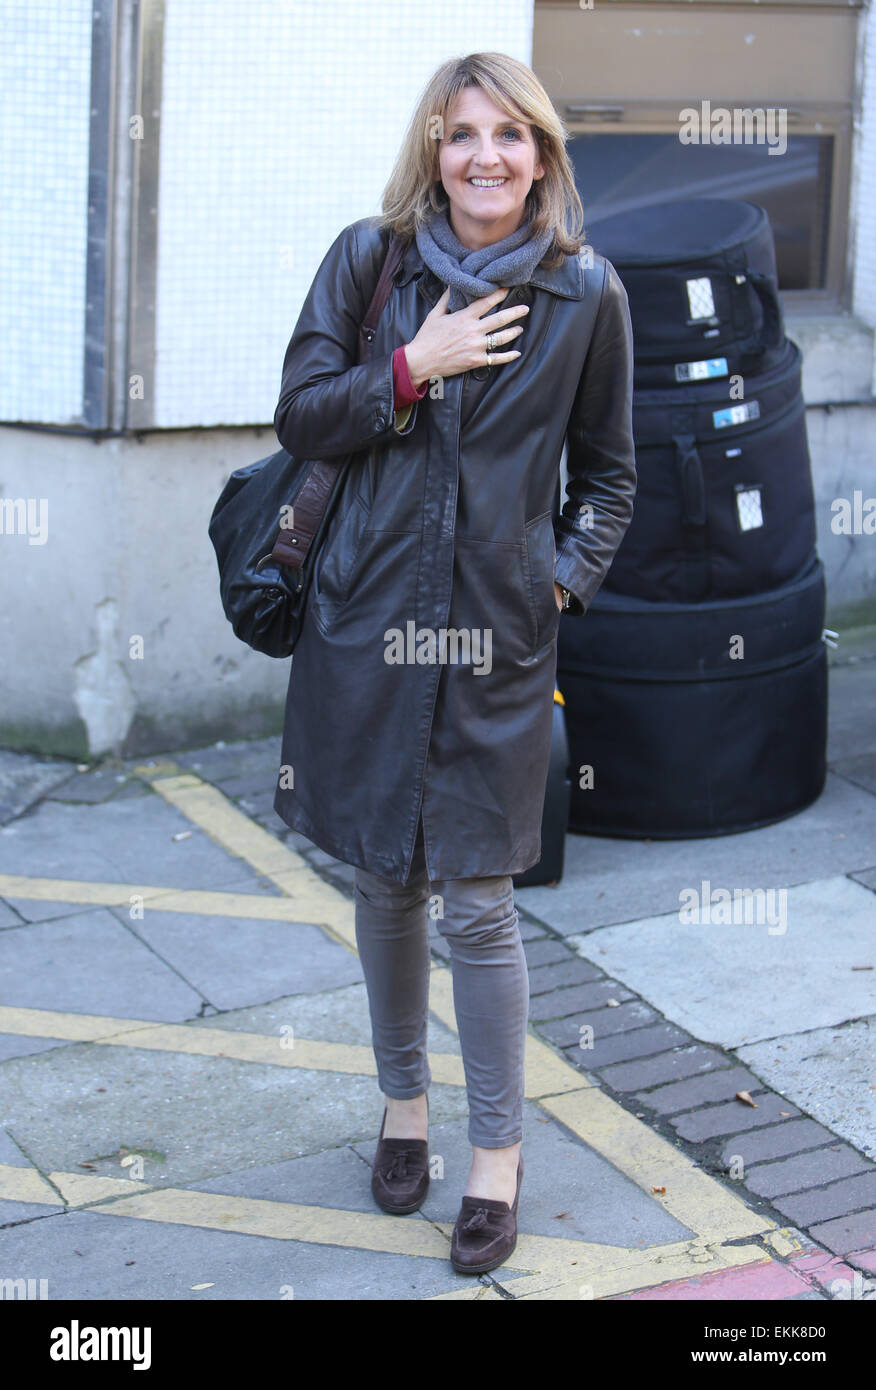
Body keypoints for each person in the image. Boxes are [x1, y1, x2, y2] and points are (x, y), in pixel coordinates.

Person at [272, 51, 636, 1276]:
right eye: (462, 132)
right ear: (434, 146)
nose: (486, 156)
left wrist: (559, 581)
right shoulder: (370, 264)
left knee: (478, 903)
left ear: (543, 154)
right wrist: (410, 370)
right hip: (369, 623)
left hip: (494, 635)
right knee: (384, 878)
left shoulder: (587, 292)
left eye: (511, 134)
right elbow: (302, 417)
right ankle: (402, 1109)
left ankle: (495, 1156)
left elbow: (612, 476)